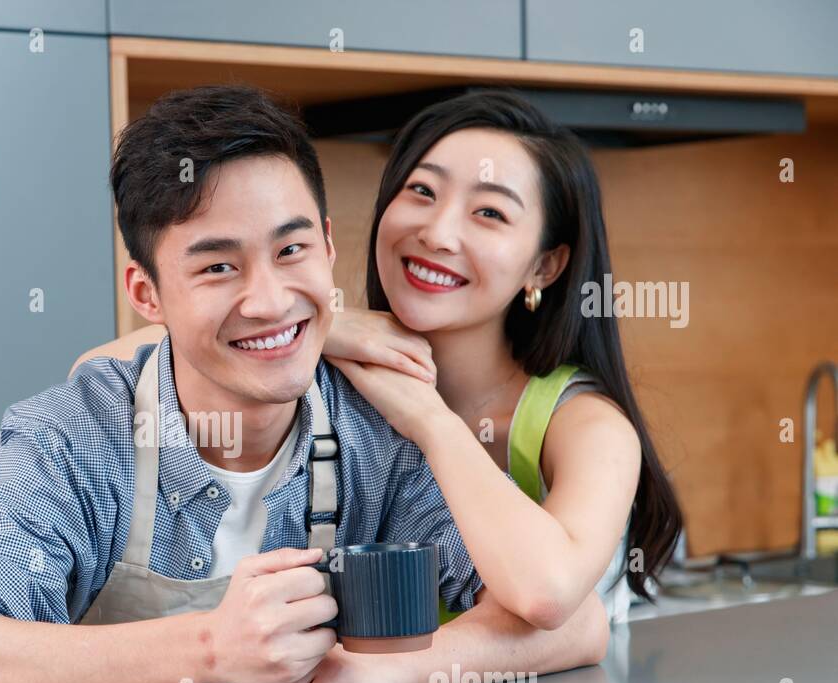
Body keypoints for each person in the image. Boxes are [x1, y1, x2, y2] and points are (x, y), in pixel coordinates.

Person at [0, 85, 609, 683]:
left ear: (327, 246)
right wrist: (210, 646)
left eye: (291, 251)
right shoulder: (77, 438)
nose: (267, 300)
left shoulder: (375, 437)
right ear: (145, 293)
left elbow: (568, 622)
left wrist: (382, 673)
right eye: (219, 266)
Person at [74, 89, 683, 638]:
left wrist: (427, 417)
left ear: (544, 266)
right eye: (421, 191)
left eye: (489, 212)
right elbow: (103, 369)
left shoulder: (585, 426)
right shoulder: (328, 372)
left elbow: (550, 603)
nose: (438, 232)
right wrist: (322, 326)